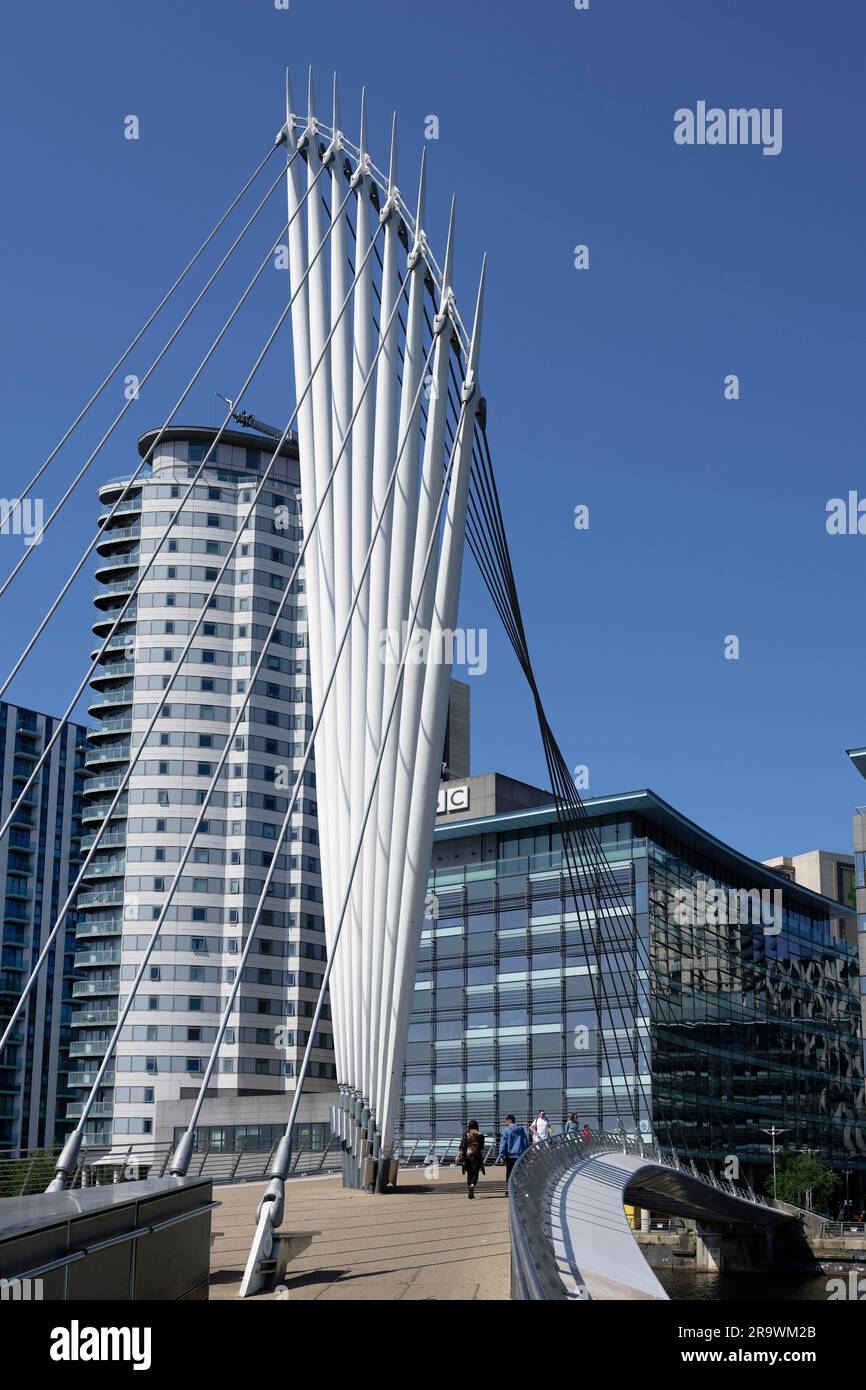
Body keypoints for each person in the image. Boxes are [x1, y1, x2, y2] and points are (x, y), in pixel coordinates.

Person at [496, 1114, 530, 1188]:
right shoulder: (521, 1130)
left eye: (506, 1121)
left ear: (508, 1121)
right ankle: (518, 1188)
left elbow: (503, 1144)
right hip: (519, 1155)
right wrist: (527, 1153)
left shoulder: (506, 1130)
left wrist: (501, 1155)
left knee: (509, 1173)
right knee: (519, 1172)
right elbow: (525, 1142)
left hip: (509, 1155)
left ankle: (509, 1189)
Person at [457, 1119, 486, 1199]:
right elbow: (481, 1147)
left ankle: (469, 1187)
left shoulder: (466, 1134)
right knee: (475, 1174)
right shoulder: (480, 1135)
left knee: (469, 1174)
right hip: (476, 1156)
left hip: (467, 1156)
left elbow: (462, 1146)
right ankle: (472, 1186)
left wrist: (460, 1154)